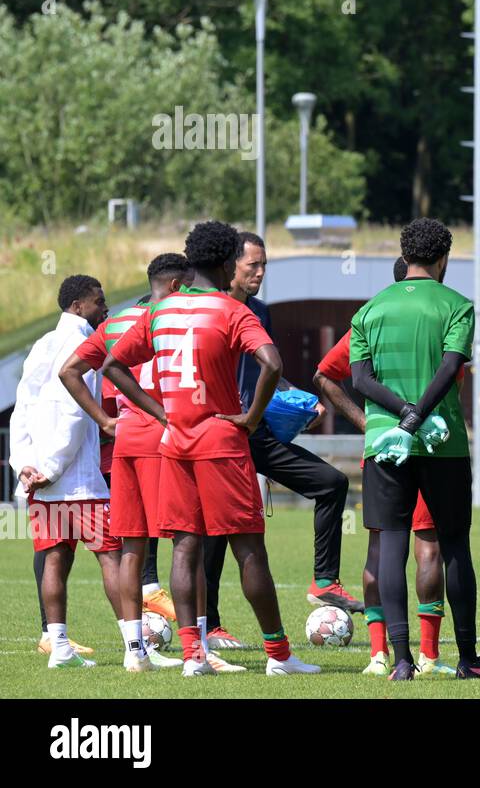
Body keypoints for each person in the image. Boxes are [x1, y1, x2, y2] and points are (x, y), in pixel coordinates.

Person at [104, 220, 319, 676]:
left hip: (175, 443)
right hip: (221, 441)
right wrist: (252, 417)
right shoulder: (230, 310)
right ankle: (279, 656)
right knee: (249, 549)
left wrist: (161, 411)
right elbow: (273, 363)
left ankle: (192, 656)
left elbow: (112, 364)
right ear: (226, 265)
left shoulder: (159, 311)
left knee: (184, 547)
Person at [350, 218, 480, 681]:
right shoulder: (458, 305)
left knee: (391, 545)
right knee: (454, 544)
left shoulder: (368, 311)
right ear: (443, 259)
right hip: (443, 442)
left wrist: (401, 412)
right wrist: (419, 415)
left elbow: (360, 381)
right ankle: (468, 658)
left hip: (383, 443)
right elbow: (452, 366)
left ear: (404, 254)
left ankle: (400, 660)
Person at [59, 254, 216, 671]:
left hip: (127, 438)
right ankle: (197, 649)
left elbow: (70, 370)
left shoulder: (114, 324)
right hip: (166, 439)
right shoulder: (178, 322)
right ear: (179, 284)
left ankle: (135, 653)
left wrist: (106, 421)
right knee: (189, 543)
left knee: (133, 548)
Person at [203, 232, 358, 653]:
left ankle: (324, 581)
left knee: (331, 483)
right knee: (216, 529)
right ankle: (208, 625)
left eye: (265, 265)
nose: (260, 272)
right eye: (252, 264)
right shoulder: (209, 309)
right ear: (229, 266)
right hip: (218, 435)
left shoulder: (261, 312)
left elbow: (267, 370)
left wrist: (299, 399)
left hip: (255, 431)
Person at [312, 257, 455, 678]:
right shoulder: (445, 315)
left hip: (385, 450)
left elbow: (324, 374)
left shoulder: (373, 316)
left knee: (381, 548)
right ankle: (427, 656)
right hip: (431, 449)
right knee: (427, 546)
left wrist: (369, 425)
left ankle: (381, 655)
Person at [10, 275, 120, 669]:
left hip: (42, 479)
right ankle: (137, 648)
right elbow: (77, 413)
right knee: (112, 557)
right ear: (77, 306)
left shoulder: (40, 344)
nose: (105, 309)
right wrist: (53, 468)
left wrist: (24, 463)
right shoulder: (84, 346)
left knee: (53, 559)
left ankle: (58, 648)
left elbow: (22, 408)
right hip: (77, 481)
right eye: (98, 302)